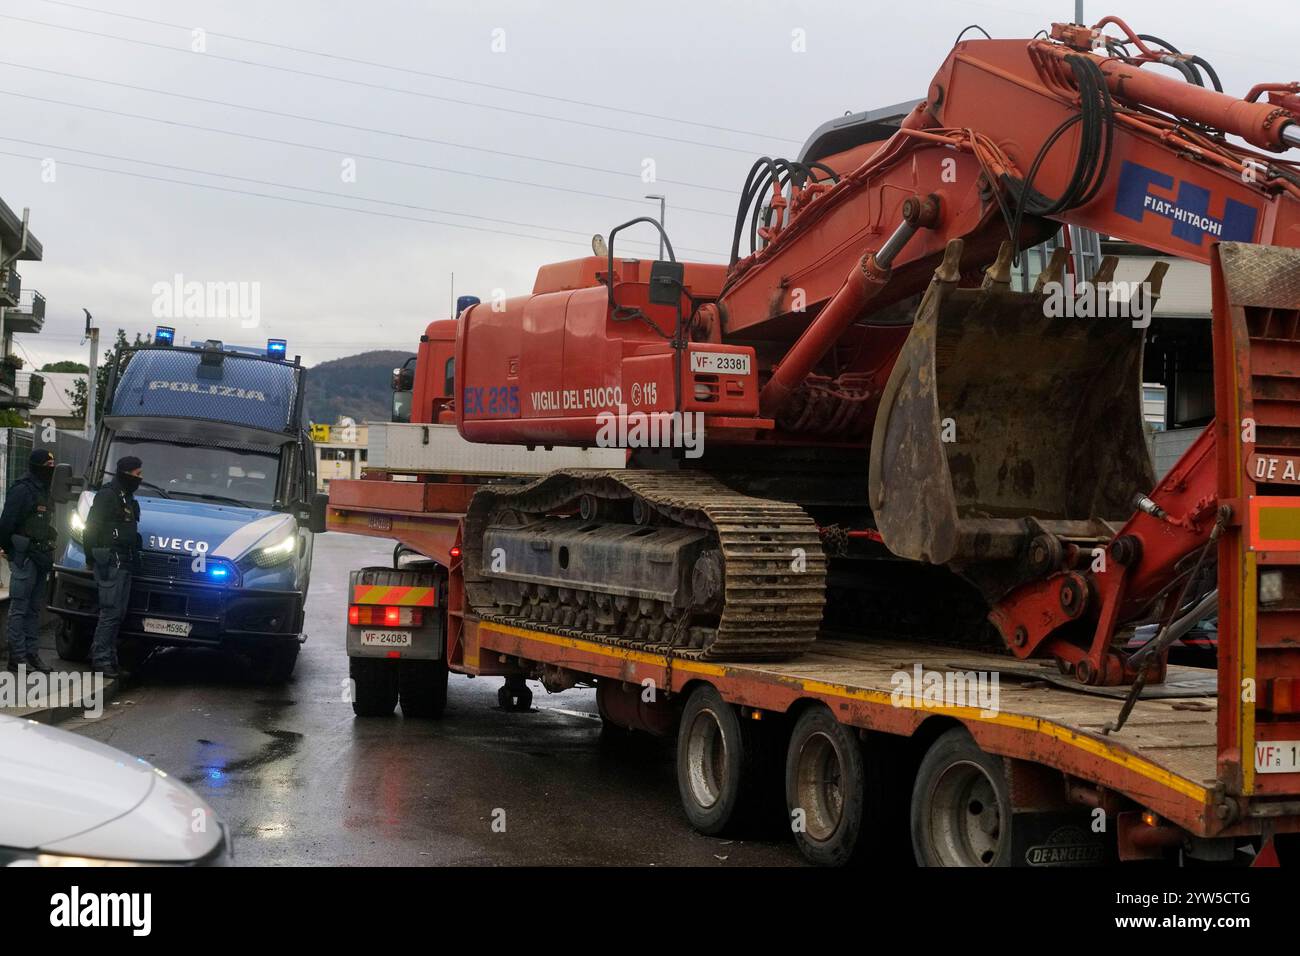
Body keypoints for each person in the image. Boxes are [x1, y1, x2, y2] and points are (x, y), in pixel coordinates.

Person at [0, 449, 58, 674]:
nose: (51, 468)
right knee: (20, 608)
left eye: (53, 464)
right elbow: (6, 523)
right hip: (24, 557)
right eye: (48, 464)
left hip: (40, 556)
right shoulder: (22, 489)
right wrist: (11, 551)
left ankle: (32, 654)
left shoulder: (44, 490)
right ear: (38, 465)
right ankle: (17, 657)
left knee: (34, 609)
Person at [85, 455, 143, 678]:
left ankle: (109, 659)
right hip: (110, 561)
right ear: (126, 473)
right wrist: (92, 558)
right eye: (137, 474)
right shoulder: (108, 496)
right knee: (109, 613)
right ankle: (101, 660)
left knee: (118, 613)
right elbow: (91, 529)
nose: (140, 478)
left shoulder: (126, 497)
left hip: (124, 561)